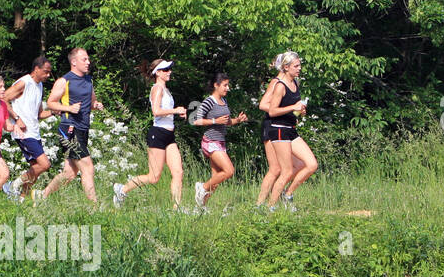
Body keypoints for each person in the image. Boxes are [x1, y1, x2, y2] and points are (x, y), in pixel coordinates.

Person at [113, 59, 186, 208]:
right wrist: (175, 110)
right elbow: (156, 112)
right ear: (157, 73)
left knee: (178, 172)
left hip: (169, 136)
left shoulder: (166, 90)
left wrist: (178, 113)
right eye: (165, 70)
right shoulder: (157, 89)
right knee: (153, 177)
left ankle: (176, 209)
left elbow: (165, 112)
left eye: (169, 69)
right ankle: (123, 190)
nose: (169, 72)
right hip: (158, 134)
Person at [40, 48, 104, 203]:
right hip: (69, 128)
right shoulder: (64, 81)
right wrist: (68, 108)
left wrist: (96, 105)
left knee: (70, 173)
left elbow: (91, 103)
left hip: (83, 128)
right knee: (87, 167)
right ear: (74, 62)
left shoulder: (89, 81)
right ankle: (94, 207)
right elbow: (51, 103)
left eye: (88, 59)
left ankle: (41, 195)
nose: (88, 62)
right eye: (84, 59)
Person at [258, 51, 318, 212]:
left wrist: (299, 111)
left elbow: (291, 106)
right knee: (283, 171)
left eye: (299, 65)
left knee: (311, 164)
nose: (299, 68)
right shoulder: (278, 85)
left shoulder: (295, 82)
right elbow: (271, 111)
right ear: (286, 67)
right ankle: (268, 209)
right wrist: (292, 108)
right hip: (278, 130)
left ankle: (288, 194)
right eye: (296, 66)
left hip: (291, 129)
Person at [190, 73, 247, 212]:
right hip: (210, 141)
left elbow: (226, 122)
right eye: (225, 85)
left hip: (221, 142)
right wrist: (214, 121)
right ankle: (201, 187)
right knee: (228, 171)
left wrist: (238, 120)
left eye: (228, 85)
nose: (228, 88)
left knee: (215, 180)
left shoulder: (224, 101)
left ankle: (200, 208)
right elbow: (195, 120)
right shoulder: (209, 101)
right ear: (216, 85)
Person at [1, 56, 55, 203]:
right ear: (36, 69)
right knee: (44, 164)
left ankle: (21, 199)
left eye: (49, 72)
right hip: (23, 133)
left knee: (35, 170)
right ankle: (13, 185)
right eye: (45, 72)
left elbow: (39, 114)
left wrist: (54, 112)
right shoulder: (24, 82)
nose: (48, 75)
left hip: (34, 131)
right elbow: (3, 99)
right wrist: (17, 118)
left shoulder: (40, 86)